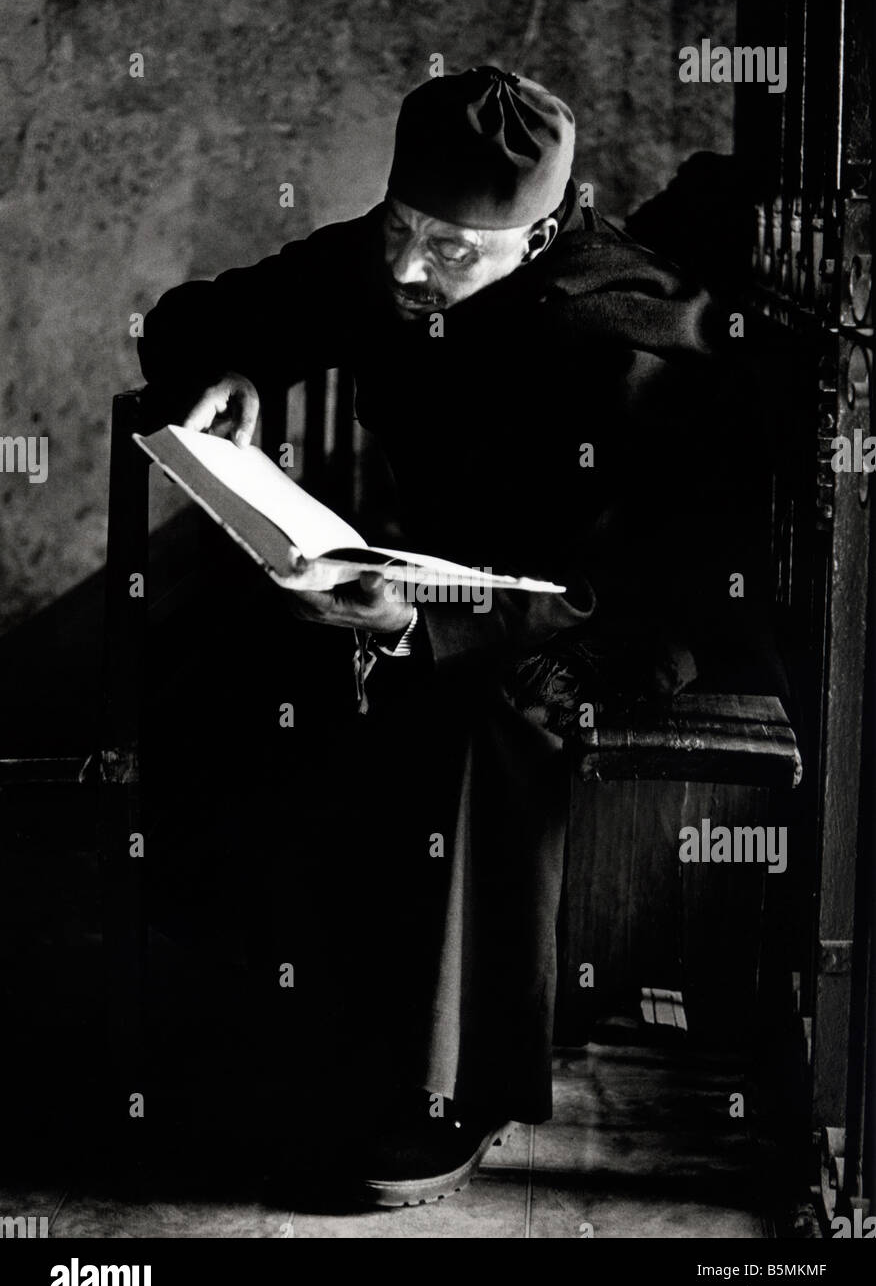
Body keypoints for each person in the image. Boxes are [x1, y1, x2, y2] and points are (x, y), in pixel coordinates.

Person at [138, 65, 752, 1207]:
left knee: (491, 722)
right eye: (401, 228)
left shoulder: (632, 335)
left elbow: (636, 575)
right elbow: (196, 316)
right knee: (237, 659)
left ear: (540, 236)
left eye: (454, 250)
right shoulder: (395, 256)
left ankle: (451, 1086)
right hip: (427, 572)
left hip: (603, 608)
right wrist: (228, 367)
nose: (411, 270)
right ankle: (268, 1012)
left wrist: (427, 622)